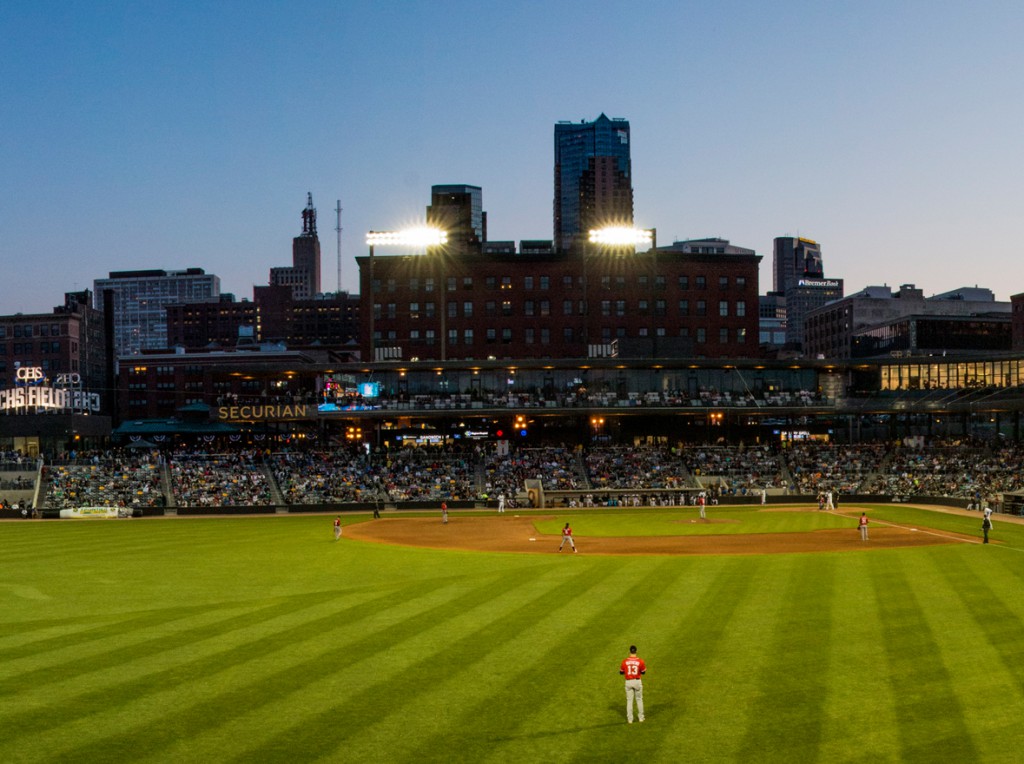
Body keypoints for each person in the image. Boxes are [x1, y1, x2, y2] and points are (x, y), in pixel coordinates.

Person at [619, 645, 646, 724]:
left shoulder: (625, 661)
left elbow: (621, 672)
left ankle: (630, 719)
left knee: (629, 701)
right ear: (636, 651)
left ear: (630, 651)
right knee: (639, 699)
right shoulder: (640, 661)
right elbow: (643, 672)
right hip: (637, 681)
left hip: (628, 682)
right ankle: (641, 718)